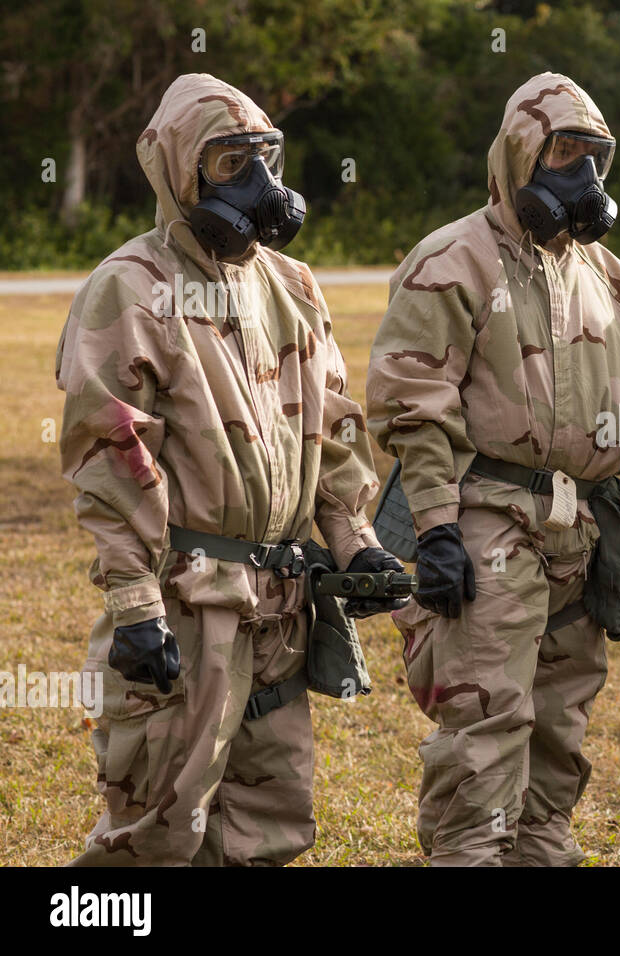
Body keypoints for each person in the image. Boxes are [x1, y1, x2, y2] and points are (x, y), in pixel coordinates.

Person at [56, 73, 402, 866]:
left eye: (263, 157)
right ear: (178, 171)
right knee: (156, 832)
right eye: (226, 162)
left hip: (281, 608)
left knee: (270, 823)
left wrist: (356, 543)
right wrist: (136, 604)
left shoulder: (293, 285)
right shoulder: (131, 287)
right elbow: (109, 461)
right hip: (185, 605)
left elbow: (336, 423)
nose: (256, 182)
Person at [367, 72, 620, 866]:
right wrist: (437, 530)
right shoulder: (452, 259)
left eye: (595, 159)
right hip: (485, 523)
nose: (581, 177)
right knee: (485, 721)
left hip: (577, 532)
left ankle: (543, 850)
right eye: (563, 154)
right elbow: (411, 404)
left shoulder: (608, 276)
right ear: (520, 158)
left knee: (559, 724)